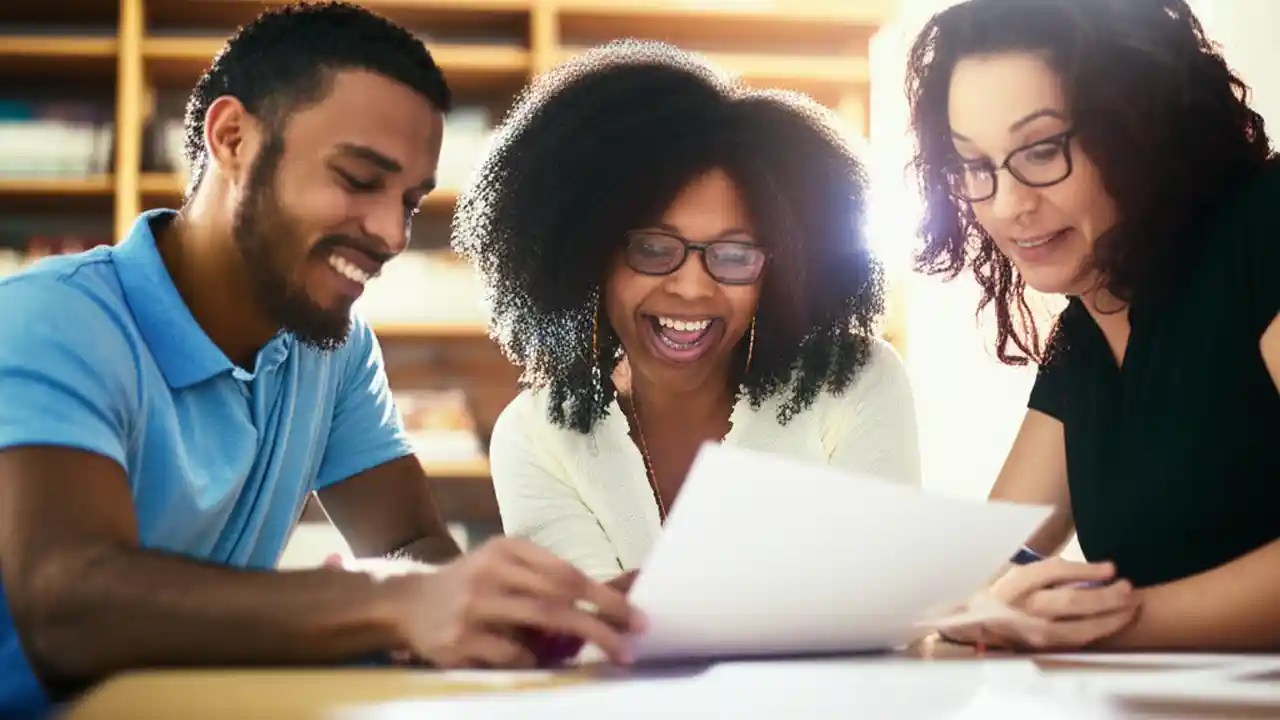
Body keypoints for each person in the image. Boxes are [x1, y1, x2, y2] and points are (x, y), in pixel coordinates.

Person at [0, 4, 637, 714]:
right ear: (232, 136)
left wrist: (510, 615)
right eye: (359, 179)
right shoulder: (51, 319)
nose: (393, 234)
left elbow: (408, 541)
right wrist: (390, 603)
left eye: (410, 200)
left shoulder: (330, 345)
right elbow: (67, 610)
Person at [452, 41, 922, 586]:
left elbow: (882, 593)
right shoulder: (538, 434)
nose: (693, 287)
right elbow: (589, 632)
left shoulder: (855, 382)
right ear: (587, 252)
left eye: (734, 256)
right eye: (653, 249)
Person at [906, 0, 1279, 650]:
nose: (1007, 204)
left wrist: (1107, 624)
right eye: (974, 165)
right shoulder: (1086, 331)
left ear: (1138, 127)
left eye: (1042, 150)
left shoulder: (1263, 225)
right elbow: (975, 568)